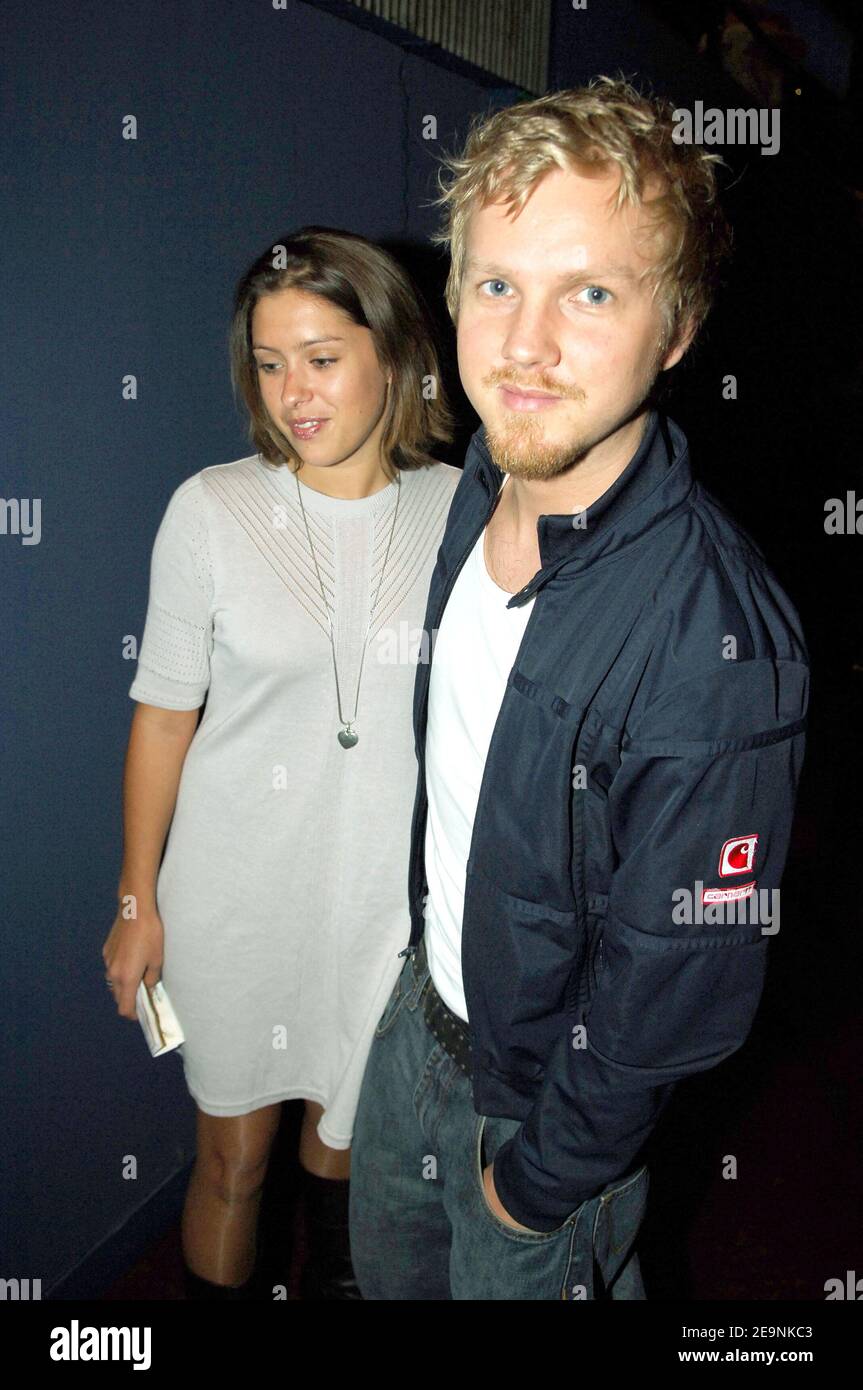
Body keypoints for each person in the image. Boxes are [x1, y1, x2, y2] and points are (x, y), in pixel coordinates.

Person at [348, 76, 810, 1300]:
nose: (525, 345)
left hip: (539, 1119)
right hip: (417, 1028)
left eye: (589, 292)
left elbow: (677, 990)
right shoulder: (473, 483)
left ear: (676, 329)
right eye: (496, 285)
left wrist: (539, 1180)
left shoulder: (719, 642)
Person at [102, 227, 460, 1299]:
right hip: (233, 899)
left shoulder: (461, 509)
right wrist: (136, 902)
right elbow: (162, 717)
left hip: (378, 913)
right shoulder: (210, 509)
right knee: (235, 1161)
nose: (292, 392)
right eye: (267, 363)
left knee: (345, 1159)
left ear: (391, 353)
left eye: (320, 356)